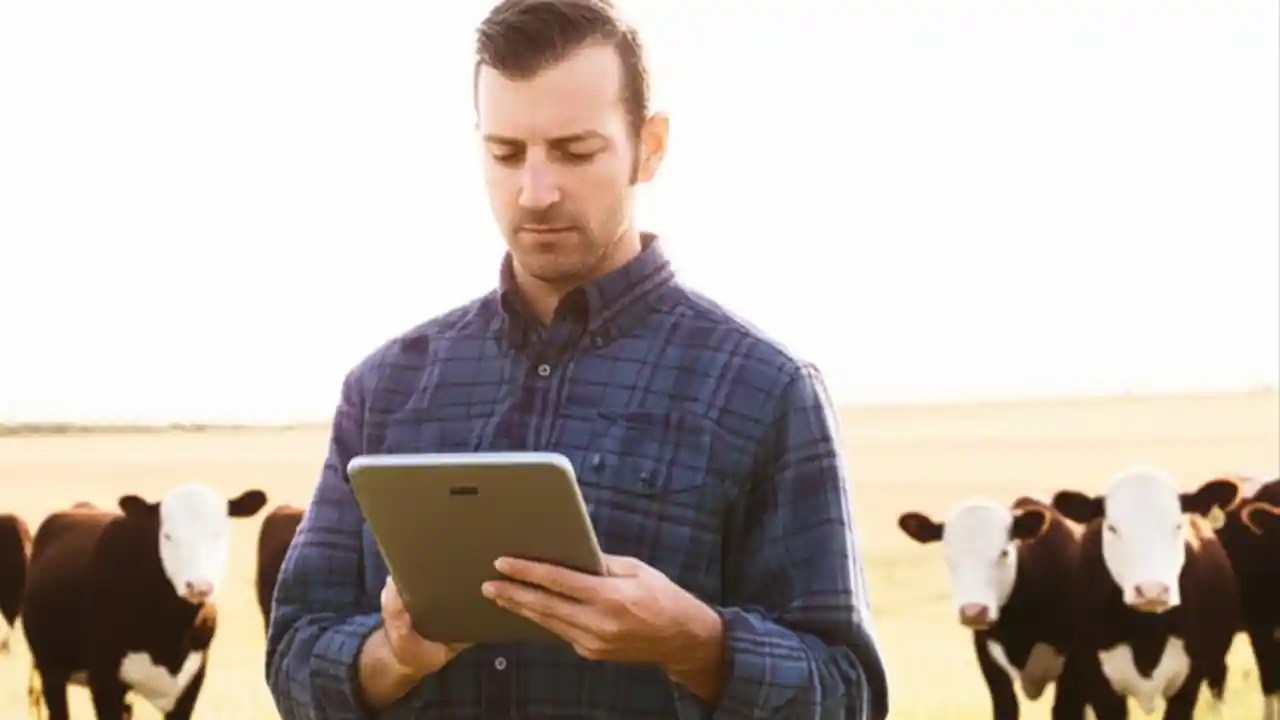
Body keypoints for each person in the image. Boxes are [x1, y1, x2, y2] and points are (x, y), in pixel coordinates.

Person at [264, 0, 889, 717]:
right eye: (506, 154)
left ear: (648, 146)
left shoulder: (765, 389)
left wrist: (697, 644)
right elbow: (292, 660)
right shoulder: (386, 387)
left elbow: (849, 695)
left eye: (575, 150)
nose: (536, 191)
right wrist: (393, 656)